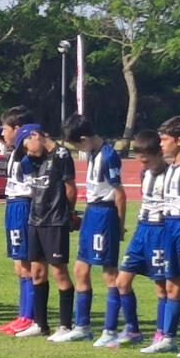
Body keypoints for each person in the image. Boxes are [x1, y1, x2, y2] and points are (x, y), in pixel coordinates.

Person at [59, 113, 127, 346]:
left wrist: (119, 225)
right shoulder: (92, 153)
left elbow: (120, 193)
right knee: (80, 269)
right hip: (91, 212)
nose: (77, 149)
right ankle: (83, 326)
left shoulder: (108, 156)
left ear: (85, 138)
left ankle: (110, 329)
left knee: (109, 272)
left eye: (77, 144)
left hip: (105, 214)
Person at [141, 116, 180, 356]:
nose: (160, 144)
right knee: (171, 284)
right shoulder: (170, 169)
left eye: (165, 139)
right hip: (168, 227)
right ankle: (168, 337)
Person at [107, 130, 169, 348]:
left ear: (159, 154)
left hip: (161, 232)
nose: (144, 164)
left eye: (148, 160)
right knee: (122, 282)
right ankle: (132, 330)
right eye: (140, 160)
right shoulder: (145, 174)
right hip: (142, 231)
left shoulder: (171, 175)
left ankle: (162, 333)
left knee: (161, 286)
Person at [18, 124, 78, 340]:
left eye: (28, 146)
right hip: (35, 220)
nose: (29, 152)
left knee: (59, 272)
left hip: (55, 221)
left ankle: (65, 325)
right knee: (37, 272)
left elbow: (70, 188)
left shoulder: (60, 154)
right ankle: (39, 323)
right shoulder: (31, 161)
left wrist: (68, 213)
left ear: (36, 136)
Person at [0, 106, 38, 336]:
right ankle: (22, 315)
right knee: (18, 264)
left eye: (5, 129)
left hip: (23, 206)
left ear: (18, 129)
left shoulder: (30, 156)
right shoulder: (13, 153)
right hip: (12, 205)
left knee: (26, 263)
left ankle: (29, 316)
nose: (2, 133)